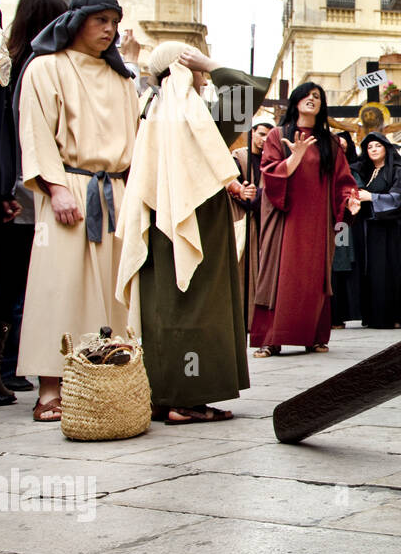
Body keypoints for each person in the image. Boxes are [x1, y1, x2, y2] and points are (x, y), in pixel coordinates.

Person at [115, 42, 267, 423]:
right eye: (193, 63)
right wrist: (210, 62)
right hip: (199, 221)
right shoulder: (200, 118)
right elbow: (246, 92)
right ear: (185, 68)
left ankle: (164, 395)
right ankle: (188, 400)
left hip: (156, 223)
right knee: (199, 305)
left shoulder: (150, 111)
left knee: (163, 307)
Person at [14, 0, 139, 421]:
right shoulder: (46, 68)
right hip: (67, 186)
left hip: (115, 193)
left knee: (114, 289)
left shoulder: (123, 80)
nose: (110, 29)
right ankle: (50, 387)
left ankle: (110, 381)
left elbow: (135, 145)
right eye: (100, 19)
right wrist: (54, 187)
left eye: (114, 21)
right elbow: (35, 132)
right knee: (59, 286)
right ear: (76, 20)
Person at [251, 82, 360, 355]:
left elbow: (342, 180)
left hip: (317, 220)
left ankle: (314, 336)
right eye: (308, 95)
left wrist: (350, 198)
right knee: (278, 275)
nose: (313, 99)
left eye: (318, 96)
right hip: (285, 216)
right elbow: (270, 173)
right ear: (296, 100)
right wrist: (295, 157)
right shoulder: (278, 135)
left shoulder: (331, 142)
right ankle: (271, 339)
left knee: (314, 277)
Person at [0, 0, 66, 403]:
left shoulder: (15, 63)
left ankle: (7, 367)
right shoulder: (33, 67)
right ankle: (8, 366)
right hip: (25, 190)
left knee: (14, 279)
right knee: (21, 278)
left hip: (16, 186)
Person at [352, 131, 401, 329]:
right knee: (373, 273)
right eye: (369, 147)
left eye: (377, 146)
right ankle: (373, 316)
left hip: (392, 232)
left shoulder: (397, 170)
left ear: (386, 148)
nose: (373, 150)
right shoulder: (366, 172)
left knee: (391, 272)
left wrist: (372, 198)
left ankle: (393, 317)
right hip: (370, 230)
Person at [230, 120, 272, 327]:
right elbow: (232, 185)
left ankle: (257, 320)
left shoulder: (271, 159)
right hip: (244, 218)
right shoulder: (239, 156)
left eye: (268, 136)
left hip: (264, 219)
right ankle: (242, 319)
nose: (264, 139)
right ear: (252, 132)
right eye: (261, 134)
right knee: (242, 269)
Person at [330, 130, 361, 328]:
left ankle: (339, 314)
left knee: (340, 267)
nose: (340, 149)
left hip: (343, 225)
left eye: (343, 146)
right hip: (325, 222)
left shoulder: (353, 169)